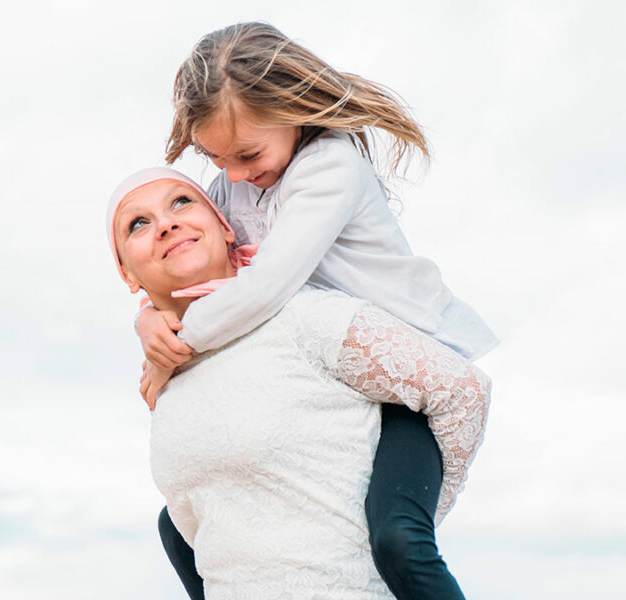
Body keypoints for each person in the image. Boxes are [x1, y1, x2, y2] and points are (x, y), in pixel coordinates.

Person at [135, 22, 498, 600]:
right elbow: (206, 273)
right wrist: (149, 322)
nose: (231, 175)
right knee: (177, 529)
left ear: (292, 108)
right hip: (326, 386)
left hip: (404, 382)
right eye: (214, 158)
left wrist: (171, 354)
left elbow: (264, 289)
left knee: (397, 539)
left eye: (247, 154)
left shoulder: (329, 167)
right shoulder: (239, 181)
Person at [107, 168, 491, 599]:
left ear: (225, 228)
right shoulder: (165, 379)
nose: (166, 224)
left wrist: (411, 525)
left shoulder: (307, 318)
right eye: (137, 224)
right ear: (127, 274)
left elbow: (462, 390)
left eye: (181, 202)